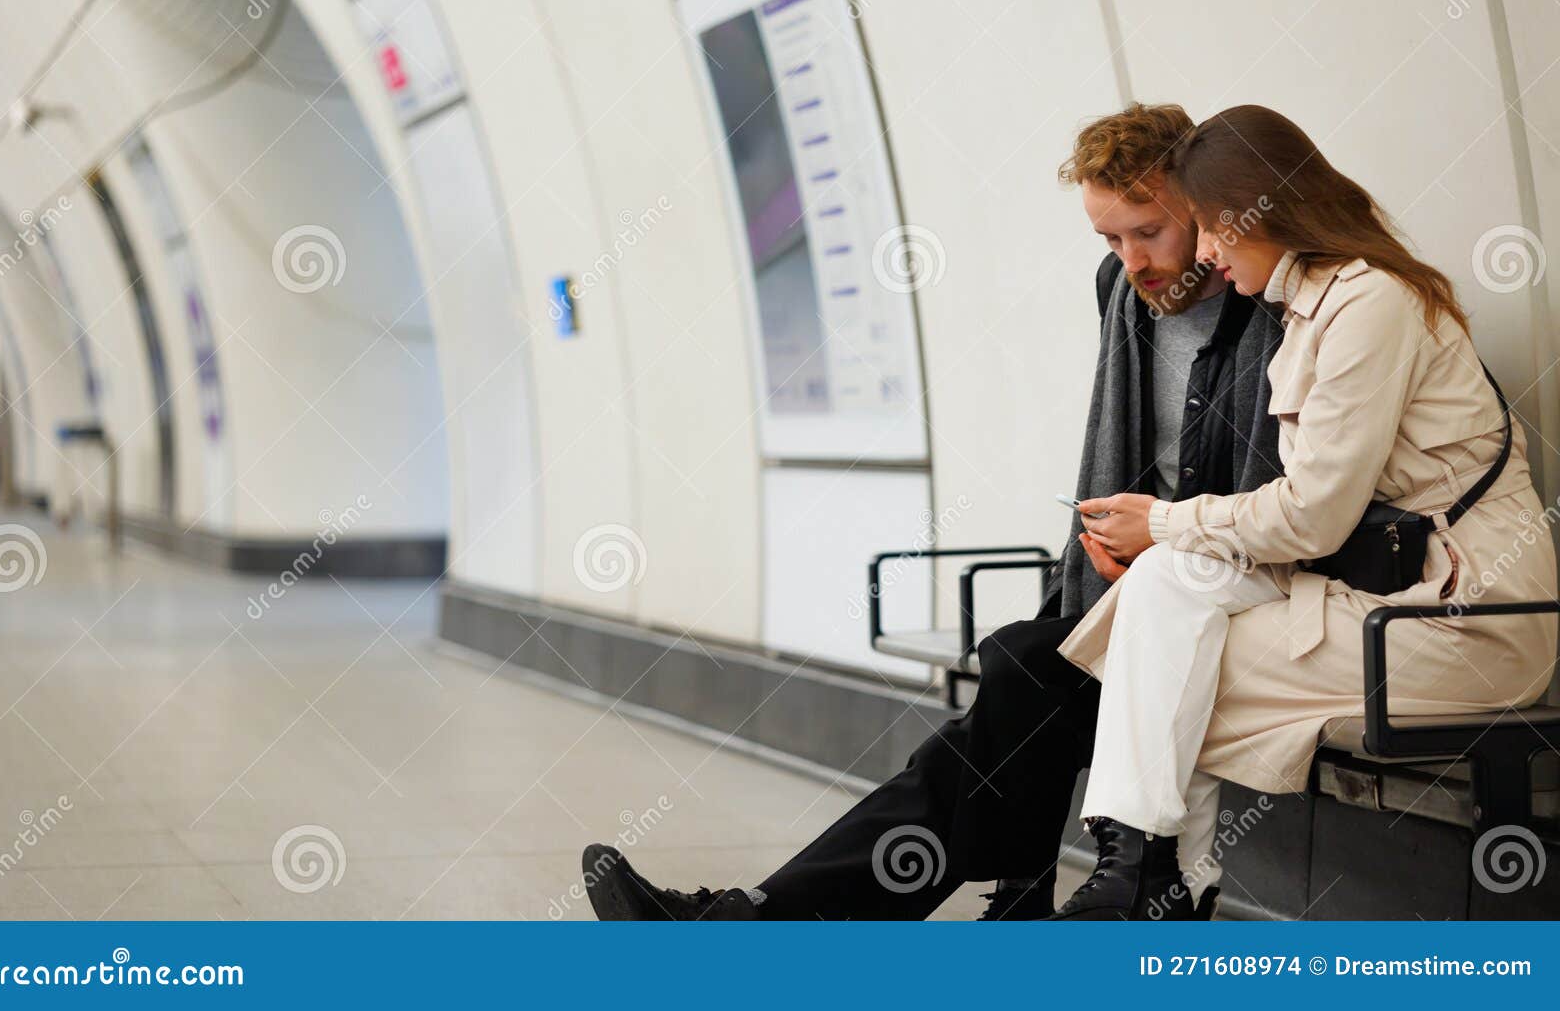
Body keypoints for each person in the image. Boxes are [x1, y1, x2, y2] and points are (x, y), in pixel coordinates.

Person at [580, 102, 1285, 921]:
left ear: (1200, 208)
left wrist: (1161, 540)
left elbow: (1284, 497)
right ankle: (762, 922)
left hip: (1222, 596)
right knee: (1007, 701)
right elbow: (1124, 451)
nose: (1132, 261)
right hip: (1139, 586)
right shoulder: (1122, 296)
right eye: (1109, 240)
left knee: (1014, 688)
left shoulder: (1266, 296)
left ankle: (761, 922)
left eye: (1147, 233)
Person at [1051, 104, 1559, 920]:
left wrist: (1167, 521)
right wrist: (1172, 541)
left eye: (1211, 229)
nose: (1206, 253)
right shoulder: (1311, 307)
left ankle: (1154, 883)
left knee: (1168, 657)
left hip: (1468, 621)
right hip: (1388, 598)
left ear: (1265, 211)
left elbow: (1314, 518)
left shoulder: (1370, 306)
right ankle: (1144, 878)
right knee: (1167, 600)